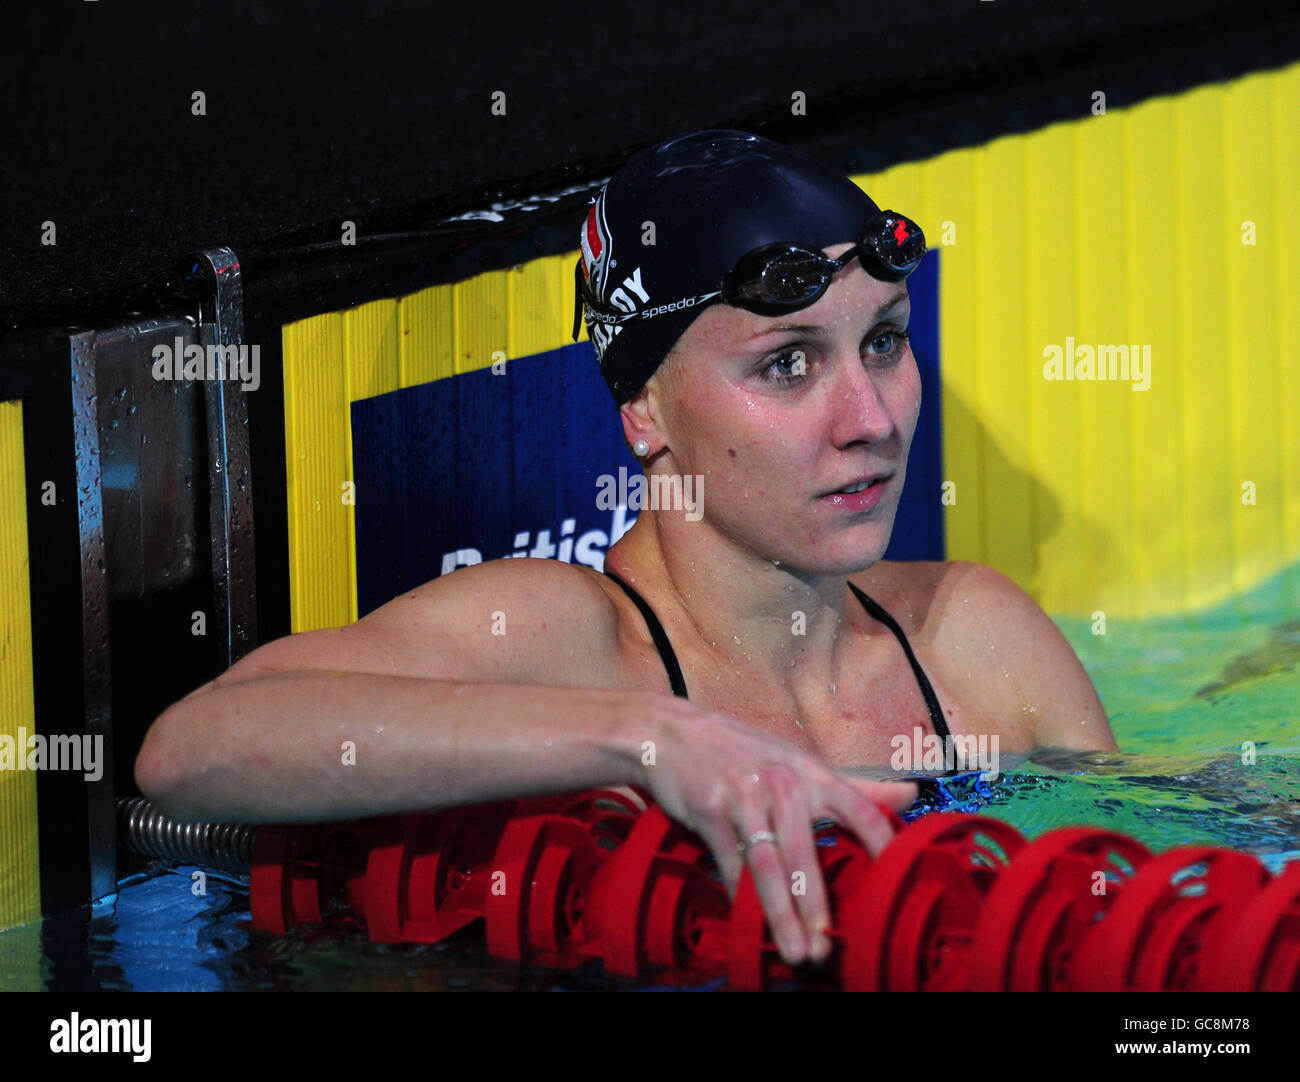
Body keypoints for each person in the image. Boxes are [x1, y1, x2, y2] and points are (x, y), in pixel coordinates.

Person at [136, 130, 1117, 969]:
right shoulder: (565, 639)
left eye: (884, 342)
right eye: (786, 362)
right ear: (643, 407)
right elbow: (192, 750)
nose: (869, 419)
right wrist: (651, 738)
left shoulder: (972, 638)